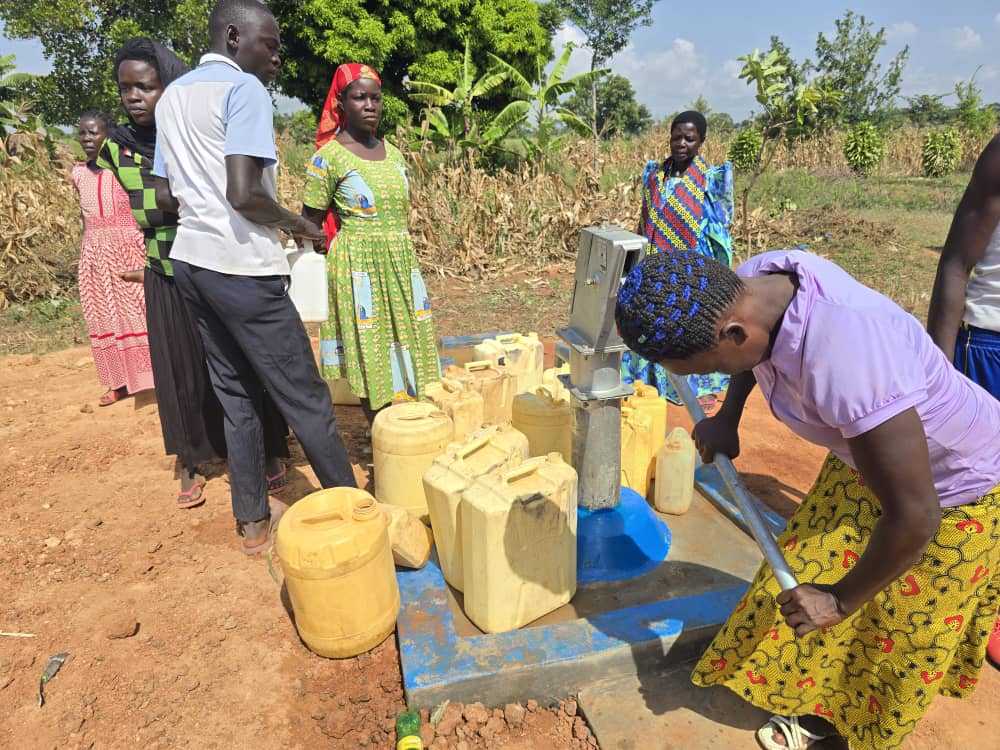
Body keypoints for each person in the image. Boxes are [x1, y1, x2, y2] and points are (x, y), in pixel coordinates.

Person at [615, 248, 1000, 749]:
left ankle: (849, 731)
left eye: (702, 367)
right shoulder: (754, 284)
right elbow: (749, 358)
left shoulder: (848, 359)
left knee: (896, 625)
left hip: (957, 484)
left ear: (734, 334)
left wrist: (839, 600)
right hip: (864, 458)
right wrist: (728, 418)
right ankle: (819, 698)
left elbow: (916, 517)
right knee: (806, 573)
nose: (703, 378)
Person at [153, 0, 357, 554]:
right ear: (236, 37)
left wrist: (205, 209)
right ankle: (353, 507)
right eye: (270, 45)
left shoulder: (173, 97)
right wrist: (298, 227)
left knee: (235, 392)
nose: (276, 59)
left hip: (192, 264)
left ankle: (252, 523)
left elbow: (167, 192)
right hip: (242, 269)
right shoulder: (242, 91)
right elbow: (244, 194)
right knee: (306, 395)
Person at [99, 37, 290, 510]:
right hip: (162, 267)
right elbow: (144, 209)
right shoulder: (116, 149)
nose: (134, 97)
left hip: (213, 259)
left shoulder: (196, 130)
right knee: (178, 367)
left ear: (173, 88)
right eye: (126, 89)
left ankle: (267, 445)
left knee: (238, 360)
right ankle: (189, 455)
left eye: (146, 86)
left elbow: (211, 196)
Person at [301, 63, 440, 427]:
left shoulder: (392, 153)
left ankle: (408, 428)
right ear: (341, 104)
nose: (369, 105)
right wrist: (323, 250)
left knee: (408, 341)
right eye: (359, 97)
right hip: (358, 266)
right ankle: (382, 436)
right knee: (371, 350)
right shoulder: (328, 158)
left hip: (401, 260)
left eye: (375, 98)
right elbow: (308, 223)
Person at [928, 133, 1000, 668]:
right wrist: (938, 377)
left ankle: (985, 608)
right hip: (989, 345)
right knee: (964, 489)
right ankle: (936, 610)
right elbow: (956, 264)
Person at [621, 110, 734, 412]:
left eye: (689, 138)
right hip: (655, 262)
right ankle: (650, 379)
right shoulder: (656, 175)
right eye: (676, 137)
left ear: (701, 141)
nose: (681, 143)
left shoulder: (710, 181)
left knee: (690, 325)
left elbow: (718, 227)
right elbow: (645, 219)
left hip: (691, 268)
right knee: (651, 318)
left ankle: (693, 385)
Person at [71, 111, 154, 406]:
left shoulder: (126, 165)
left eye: (93, 132)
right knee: (103, 317)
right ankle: (117, 383)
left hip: (129, 249)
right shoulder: (78, 173)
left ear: (108, 134)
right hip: (95, 254)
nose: (87, 139)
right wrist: (87, 253)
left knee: (142, 312)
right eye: (82, 133)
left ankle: (152, 378)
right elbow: (84, 217)